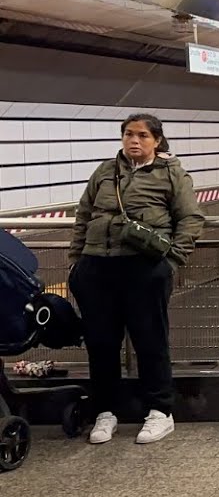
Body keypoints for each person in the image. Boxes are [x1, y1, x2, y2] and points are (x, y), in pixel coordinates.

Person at [68, 114, 206, 445]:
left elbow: (190, 218)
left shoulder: (171, 173)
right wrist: (76, 262)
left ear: (156, 140)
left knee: (150, 341)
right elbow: (83, 215)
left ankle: (160, 411)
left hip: (144, 268)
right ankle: (106, 411)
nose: (134, 140)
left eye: (143, 135)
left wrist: (171, 262)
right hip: (96, 267)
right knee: (101, 344)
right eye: (129, 134)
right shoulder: (105, 171)